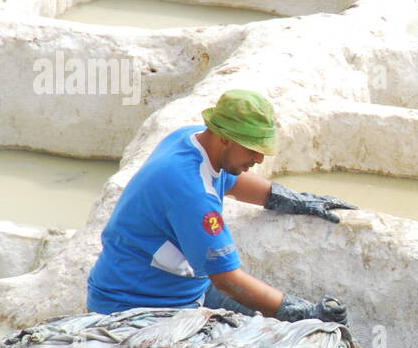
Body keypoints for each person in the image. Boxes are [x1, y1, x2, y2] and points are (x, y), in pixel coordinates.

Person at [86, 89, 355, 323]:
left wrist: (292, 199)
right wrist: (302, 312)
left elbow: (231, 180)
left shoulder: (191, 139)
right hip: (138, 304)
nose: (259, 159)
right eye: (252, 149)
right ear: (224, 138)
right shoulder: (192, 195)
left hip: (182, 286)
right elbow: (227, 280)